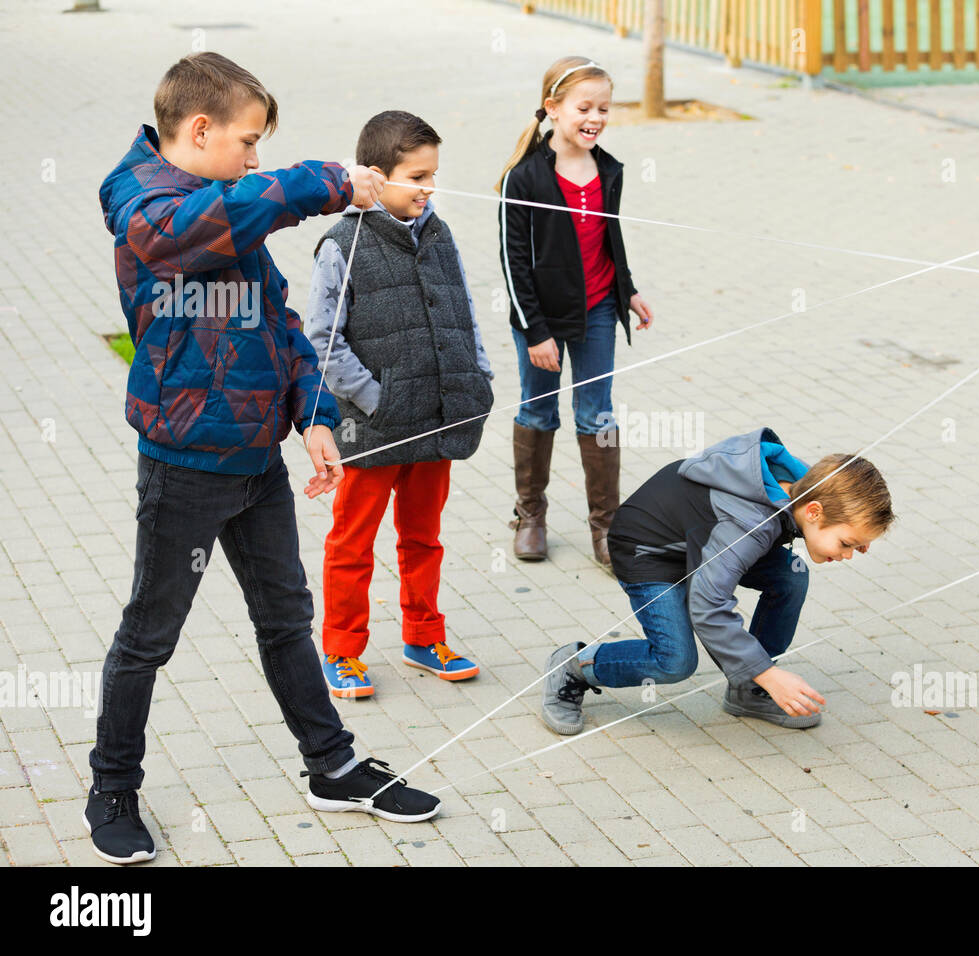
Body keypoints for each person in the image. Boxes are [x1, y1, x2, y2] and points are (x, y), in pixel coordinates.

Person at [90, 53, 440, 865]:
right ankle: (112, 785)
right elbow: (179, 234)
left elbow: (278, 320)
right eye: (248, 143)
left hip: (258, 464)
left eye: (261, 149)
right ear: (200, 129)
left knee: (286, 619)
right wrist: (320, 181)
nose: (255, 159)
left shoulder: (229, 206)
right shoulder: (146, 204)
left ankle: (333, 765)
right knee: (150, 634)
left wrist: (314, 415)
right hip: (185, 466)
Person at [307, 110, 494, 696]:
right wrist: (376, 399)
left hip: (438, 415)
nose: (429, 187)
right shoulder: (341, 244)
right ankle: (341, 648)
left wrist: (479, 376)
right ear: (376, 175)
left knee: (423, 536)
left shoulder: (438, 233)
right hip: (375, 425)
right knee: (352, 541)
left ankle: (423, 635)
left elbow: (462, 307)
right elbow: (322, 340)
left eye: (434, 175)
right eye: (418, 176)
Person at [540, 427, 894, 734]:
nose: (849, 554)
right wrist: (767, 673)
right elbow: (708, 608)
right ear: (814, 512)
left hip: (706, 545)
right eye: (847, 543)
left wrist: (854, 535)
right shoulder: (745, 525)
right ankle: (574, 666)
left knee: (790, 576)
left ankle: (746, 690)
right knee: (675, 660)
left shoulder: (804, 486)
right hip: (650, 553)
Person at [496, 56, 654, 566]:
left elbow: (611, 237)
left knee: (598, 414)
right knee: (537, 410)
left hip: (599, 312)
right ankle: (531, 514)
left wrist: (627, 291)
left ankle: (607, 529)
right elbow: (513, 261)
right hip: (540, 321)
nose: (596, 117)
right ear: (554, 109)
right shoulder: (524, 179)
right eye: (584, 107)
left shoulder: (608, 169)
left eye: (604, 108)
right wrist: (536, 331)